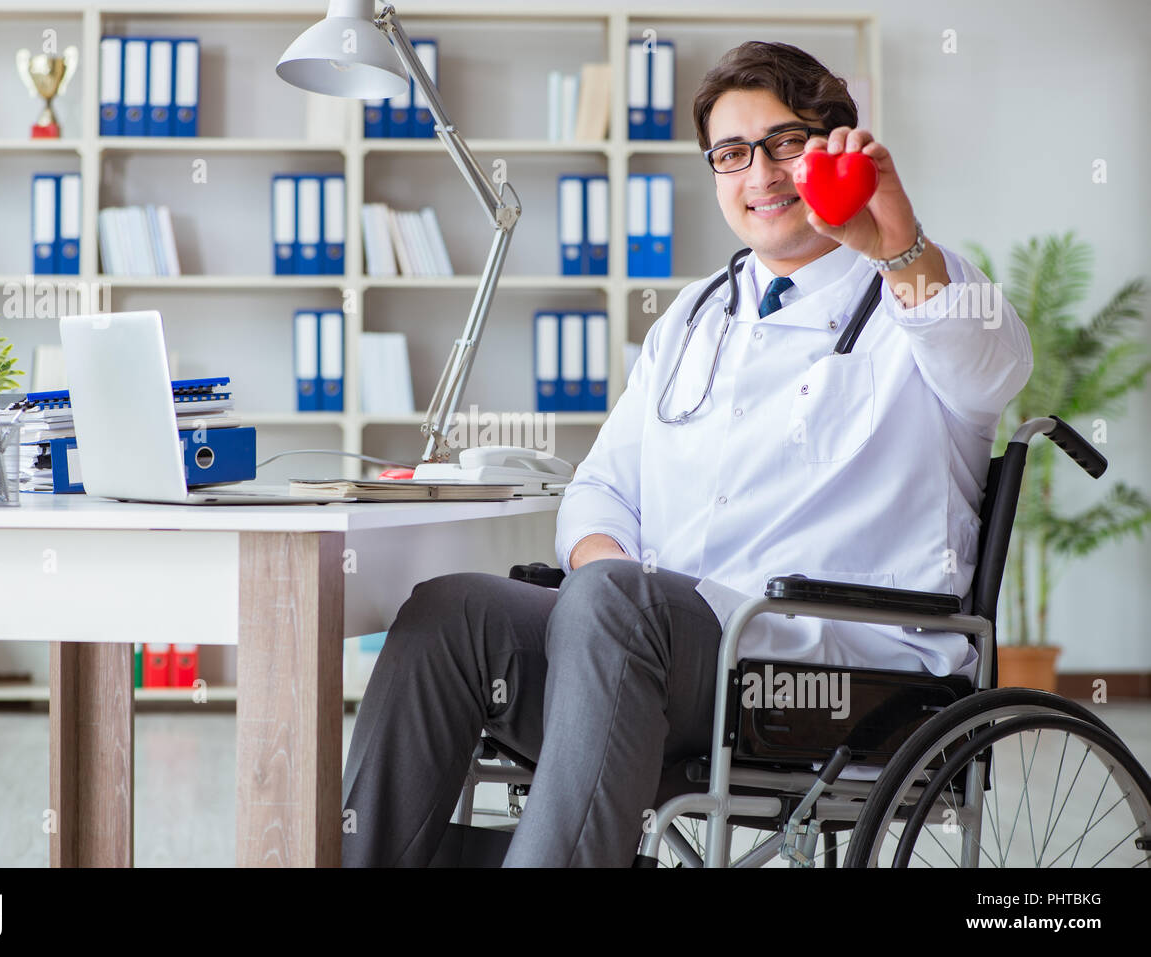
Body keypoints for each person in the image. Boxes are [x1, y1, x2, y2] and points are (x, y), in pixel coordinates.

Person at [340, 40, 1032, 867]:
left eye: (786, 144)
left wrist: (897, 245)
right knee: (448, 615)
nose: (760, 175)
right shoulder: (694, 316)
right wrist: (600, 578)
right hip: (656, 653)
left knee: (615, 607)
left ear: (838, 150)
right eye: (732, 154)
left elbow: (997, 364)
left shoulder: (921, 297)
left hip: (828, 674)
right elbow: (601, 485)